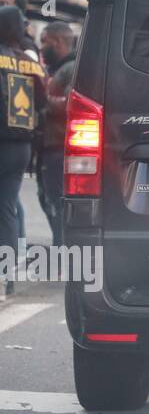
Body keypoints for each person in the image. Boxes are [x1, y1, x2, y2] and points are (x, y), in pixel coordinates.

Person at [0, 6, 46, 299]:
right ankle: (5, 277)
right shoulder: (29, 62)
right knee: (6, 208)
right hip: (21, 146)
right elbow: (42, 99)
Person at [38, 21, 76, 247]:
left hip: (60, 147)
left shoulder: (71, 68)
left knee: (57, 202)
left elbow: (70, 105)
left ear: (58, 42)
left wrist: (43, 100)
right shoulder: (57, 69)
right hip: (50, 146)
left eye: (45, 42)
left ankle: (64, 252)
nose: (41, 47)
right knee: (48, 199)